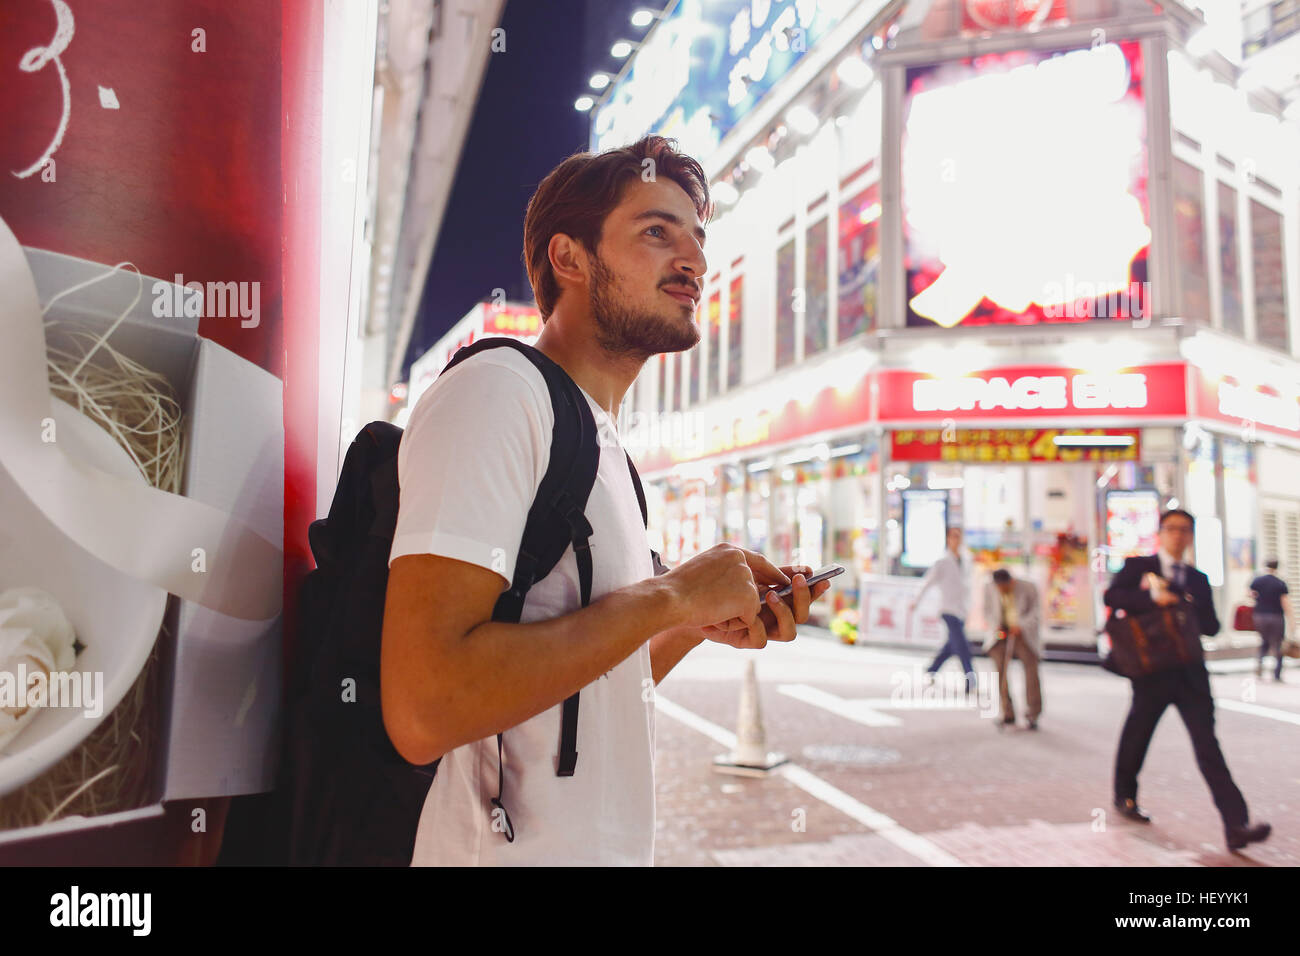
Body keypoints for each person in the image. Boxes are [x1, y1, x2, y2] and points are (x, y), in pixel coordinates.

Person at [380, 135, 830, 866]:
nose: (694, 261)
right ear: (570, 259)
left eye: (697, 238)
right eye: (657, 232)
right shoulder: (500, 394)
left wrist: (692, 621)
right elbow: (425, 705)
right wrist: (671, 596)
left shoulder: (608, 448)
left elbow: (583, 692)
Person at [1104, 508, 1271, 851]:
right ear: (1161, 533)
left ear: (1191, 536)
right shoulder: (1139, 567)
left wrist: (1185, 604)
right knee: (1138, 733)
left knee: (1208, 745)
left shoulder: (1197, 579)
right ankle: (1125, 796)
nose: (1178, 535)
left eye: (1184, 530)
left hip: (1191, 673)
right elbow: (1112, 598)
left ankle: (1236, 825)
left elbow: (1211, 626)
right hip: (1151, 671)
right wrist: (1152, 597)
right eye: (1171, 529)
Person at [910, 526, 976, 693]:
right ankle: (971, 678)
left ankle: (932, 668)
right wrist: (915, 601)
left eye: (959, 536)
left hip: (962, 609)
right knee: (962, 646)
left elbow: (968, 585)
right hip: (948, 609)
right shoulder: (942, 562)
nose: (956, 539)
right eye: (953, 536)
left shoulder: (967, 559)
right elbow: (927, 582)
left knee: (952, 645)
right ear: (948, 538)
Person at [983, 568, 1042, 730]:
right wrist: (997, 627)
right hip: (1000, 634)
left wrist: (1021, 626)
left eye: (1004, 587)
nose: (1001, 590)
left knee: (1031, 671)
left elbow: (1036, 612)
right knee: (1000, 671)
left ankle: (1033, 713)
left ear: (1012, 581)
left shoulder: (1029, 587)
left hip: (1023, 634)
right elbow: (987, 611)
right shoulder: (989, 587)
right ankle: (1007, 712)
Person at [1249, 558, 1291, 682]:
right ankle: (1277, 673)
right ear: (1277, 567)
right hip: (1276, 616)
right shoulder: (1280, 583)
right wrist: (1292, 621)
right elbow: (1285, 602)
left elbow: (1250, 594)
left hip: (1260, 616)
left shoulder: (1257, 581)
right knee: (1278, 644)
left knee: (1264, 642)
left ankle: (1259, 665)